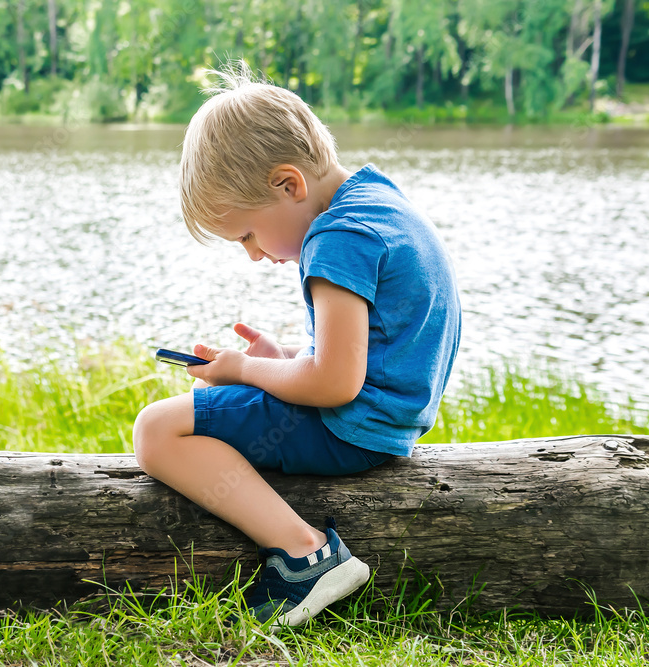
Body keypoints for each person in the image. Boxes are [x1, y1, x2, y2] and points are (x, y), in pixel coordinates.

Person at [132, 60, 462, 631]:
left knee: (156, 431)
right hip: (387, 424)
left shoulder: (336, 238)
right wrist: (284, 360)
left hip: (350, 431)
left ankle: (305, 555)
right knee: (176, 421)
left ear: (289, 184)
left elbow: (337, 384)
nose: (254, 254)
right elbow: (363, 357)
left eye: (247, 234)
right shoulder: (379, 204)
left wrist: (245, 370)